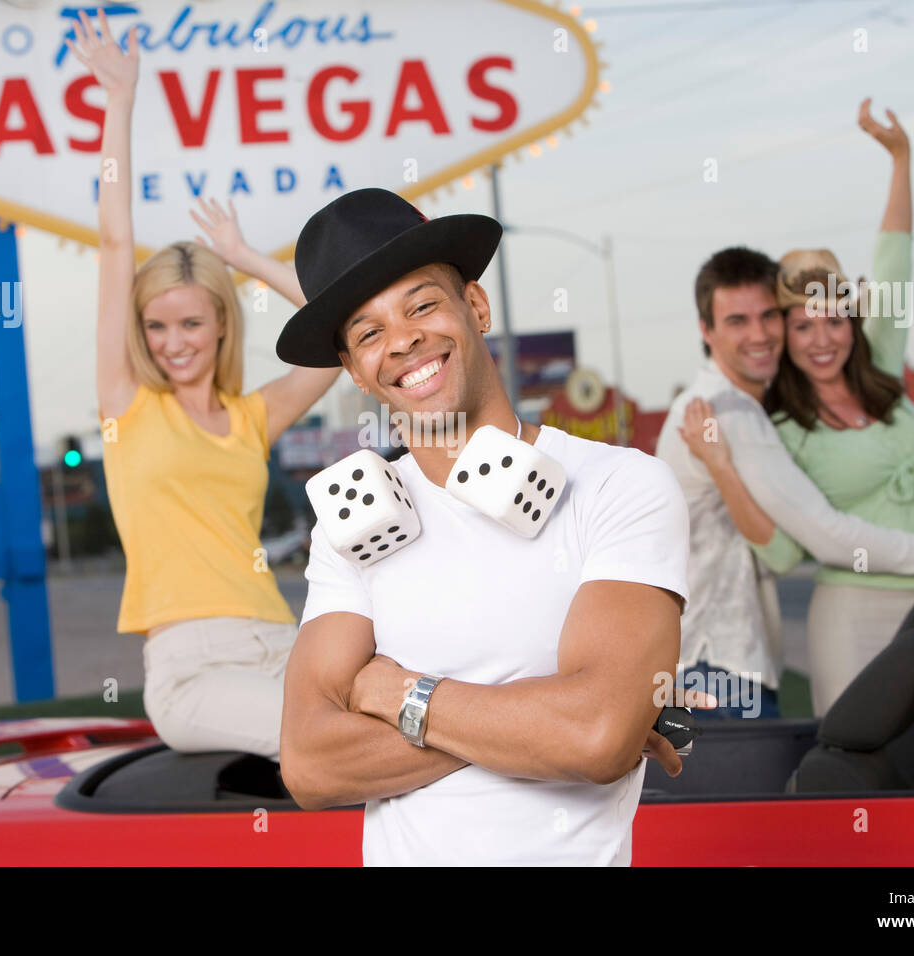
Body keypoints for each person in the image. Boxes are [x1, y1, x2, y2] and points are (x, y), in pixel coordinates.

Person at [276, 187, 692, 866]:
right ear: (354, 370)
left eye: (421, 305)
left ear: (475, 306)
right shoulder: (345, 531)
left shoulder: (621, 484)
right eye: (369, 332)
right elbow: (310, 763)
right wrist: (541, 725)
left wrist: (395, 693)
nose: (404, 340)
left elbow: (593, 736)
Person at [655, 102, 914, 725]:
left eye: (834, 319)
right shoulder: (773, 420)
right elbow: (794, 548)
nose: (820, 339)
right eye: (801, 325)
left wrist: (901, 159)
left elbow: (896, 263)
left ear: (853, 320)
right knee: (865, 788)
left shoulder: (880, 369)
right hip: (846, 613)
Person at [68, 10, 340, 759]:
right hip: (193, 667)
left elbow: (341, 334)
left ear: (222, 325)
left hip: (286, 642)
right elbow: (116, 240)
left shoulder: (253, 417)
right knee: (336, 748)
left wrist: (248, 258)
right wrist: (119, 103)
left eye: (192, 324)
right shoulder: (127, 405)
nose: (174, 343)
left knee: (395, 735)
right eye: (157, 327)